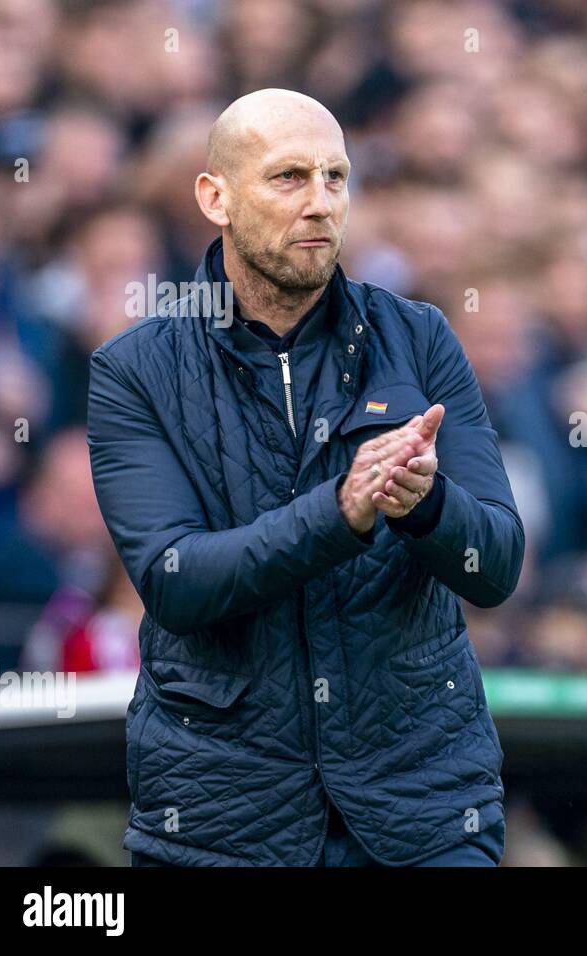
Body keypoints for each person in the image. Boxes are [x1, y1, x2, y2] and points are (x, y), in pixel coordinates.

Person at [86, 89, 524, 866]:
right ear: (215, 198)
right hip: (223, 821)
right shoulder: (135, 370)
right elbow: (176, 581)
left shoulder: (421, 337)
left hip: (421, 807)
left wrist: (429, 505)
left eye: (336, 177)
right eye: (289, 177)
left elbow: (496, 566)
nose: (321, 202)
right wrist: (340, 512)